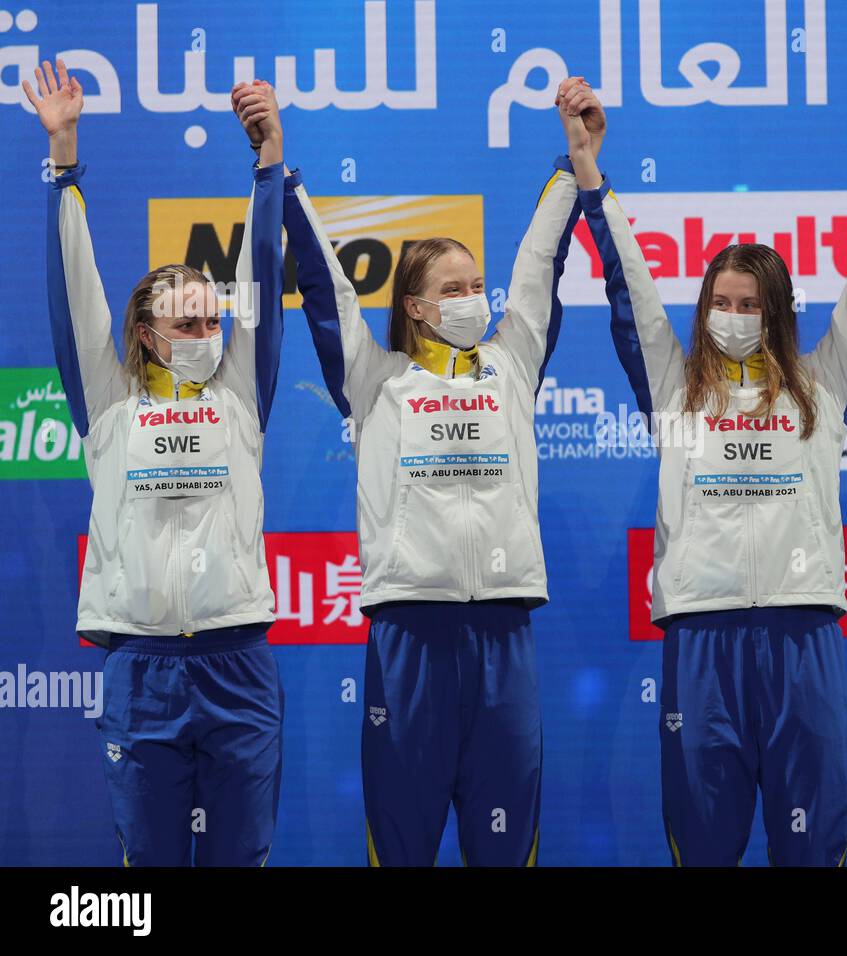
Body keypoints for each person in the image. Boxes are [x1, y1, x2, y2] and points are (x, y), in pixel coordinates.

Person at [233, 76, 604, 866]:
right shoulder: (377, 381)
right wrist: (280, 169)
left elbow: (539, 264)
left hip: (506, 631)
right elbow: (327, 290)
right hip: (408, 633)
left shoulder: (511, 366)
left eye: (477, 286)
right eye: (454, 290)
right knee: (400, 849)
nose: (474, 299)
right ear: (416, 306)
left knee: (506, 849)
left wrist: (575, 165)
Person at [570, 73, 847, 865]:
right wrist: (590, 174)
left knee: (812, 846)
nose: (733, 316)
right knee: (704, 847)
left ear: (777, 311)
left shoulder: (821, 382)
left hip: (803, 635)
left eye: (749, 303)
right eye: (719, 303)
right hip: (701, 639)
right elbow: (629, 286)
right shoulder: (674, 387)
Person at [32, 59, 288, 866]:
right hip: (141, 669)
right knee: (147, 870)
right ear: (147, 333)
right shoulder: (111, 408)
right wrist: (64, 161)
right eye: (188, 319)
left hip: (237, 661)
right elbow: (76, 297)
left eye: (214, 316)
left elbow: (265, 272)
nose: (207, 331)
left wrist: (269, 159)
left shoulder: (238, 396)